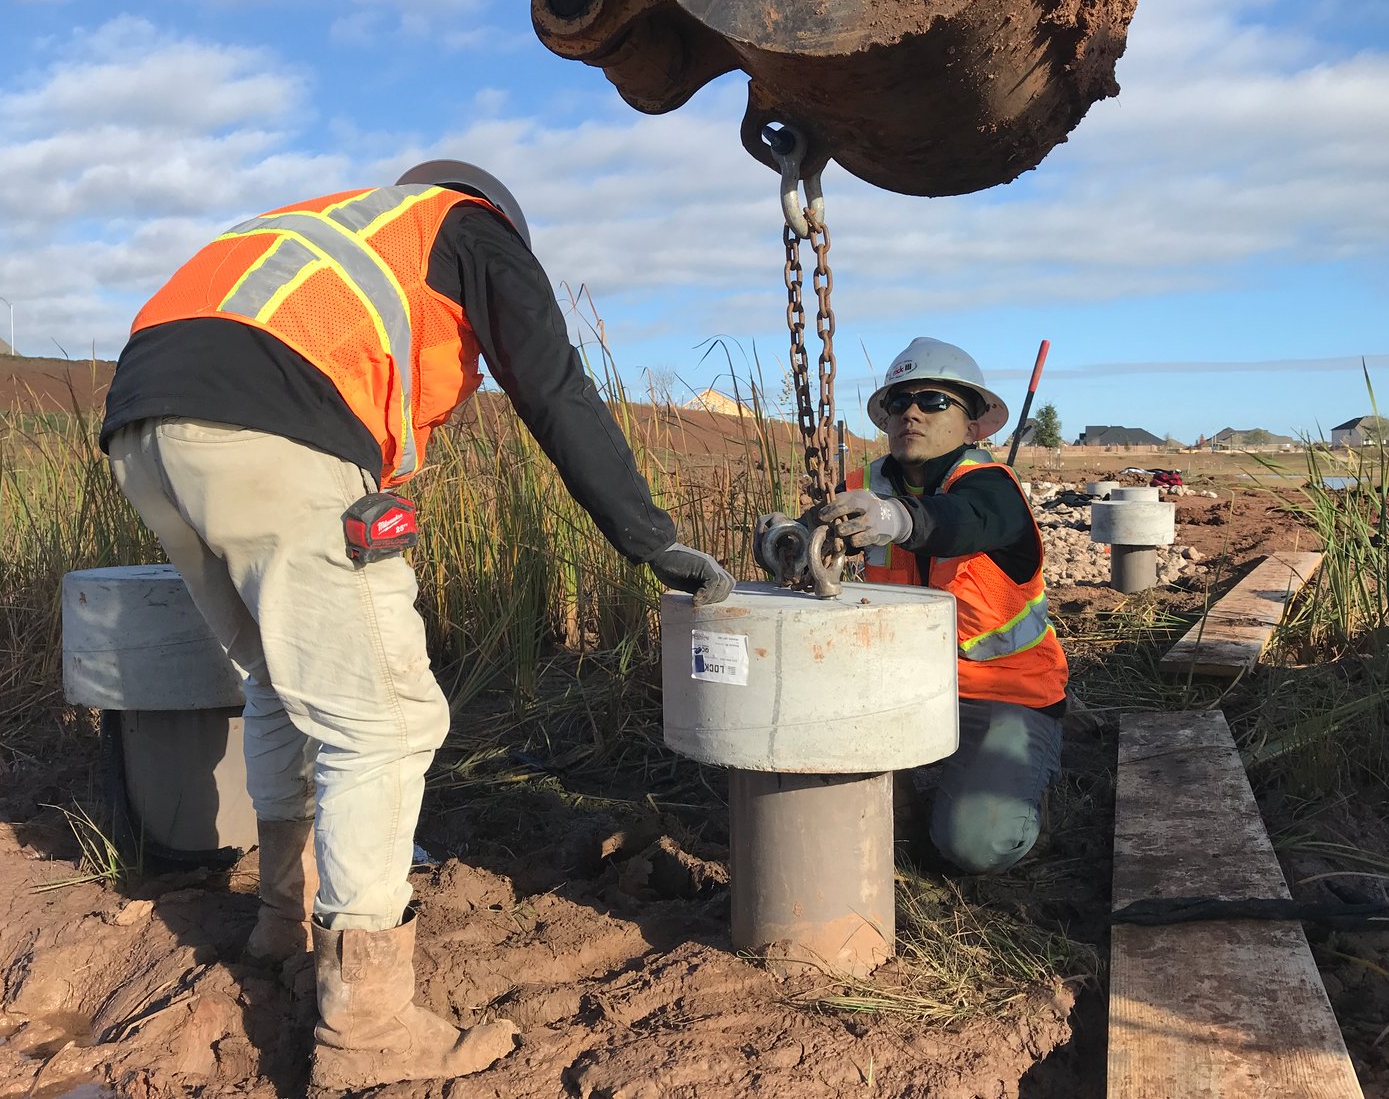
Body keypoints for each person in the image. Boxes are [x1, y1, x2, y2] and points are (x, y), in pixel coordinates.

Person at [99, 161, 734, 1091]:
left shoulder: (333, 228)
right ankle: (368, 1024)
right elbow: (556, 392)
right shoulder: (471, 231)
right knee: (388, 719)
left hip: (144, 427)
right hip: (269, 422)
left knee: (280, 674)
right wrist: (652, 542)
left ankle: (284, 921)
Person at [763, 337, 1069, 874]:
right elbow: (818, 549)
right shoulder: (862, 487)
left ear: (974, 425)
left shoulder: (992, 490)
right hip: (900, 687)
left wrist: (897, 520)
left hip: (1003, 696)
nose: (911, 412)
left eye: (933, 401)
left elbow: (958, 521)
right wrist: (795, 544)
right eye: (899, 402)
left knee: (975, 844)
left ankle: (1028, 785)